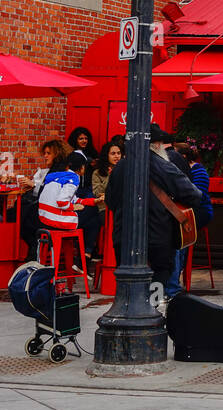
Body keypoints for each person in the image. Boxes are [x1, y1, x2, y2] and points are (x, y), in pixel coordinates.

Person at [107, 123, 201, 302]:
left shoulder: (120, 167)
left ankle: (129, 312)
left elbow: (110, 201)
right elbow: (194, 194)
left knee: (127, 288)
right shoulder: (163, 165)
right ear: (157, 145)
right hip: (157, 237)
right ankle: (153, 312)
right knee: (157, 283)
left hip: (124, 237)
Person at [175, 145, 214, 292]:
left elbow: (197, 196)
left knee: (179, 232)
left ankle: (176, 276)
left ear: (183, 157)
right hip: (182, 210)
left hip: (200, 211)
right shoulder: (179, 169)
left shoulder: (198, 170)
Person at [91, 139, 122, 229]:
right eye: (113, 154)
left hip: (122, 207)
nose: (116, 156)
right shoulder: (97, 173)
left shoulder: (125, 170)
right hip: (105, 208)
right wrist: (110, 176)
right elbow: (97, 193)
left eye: (118, 153)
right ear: (106, 156)